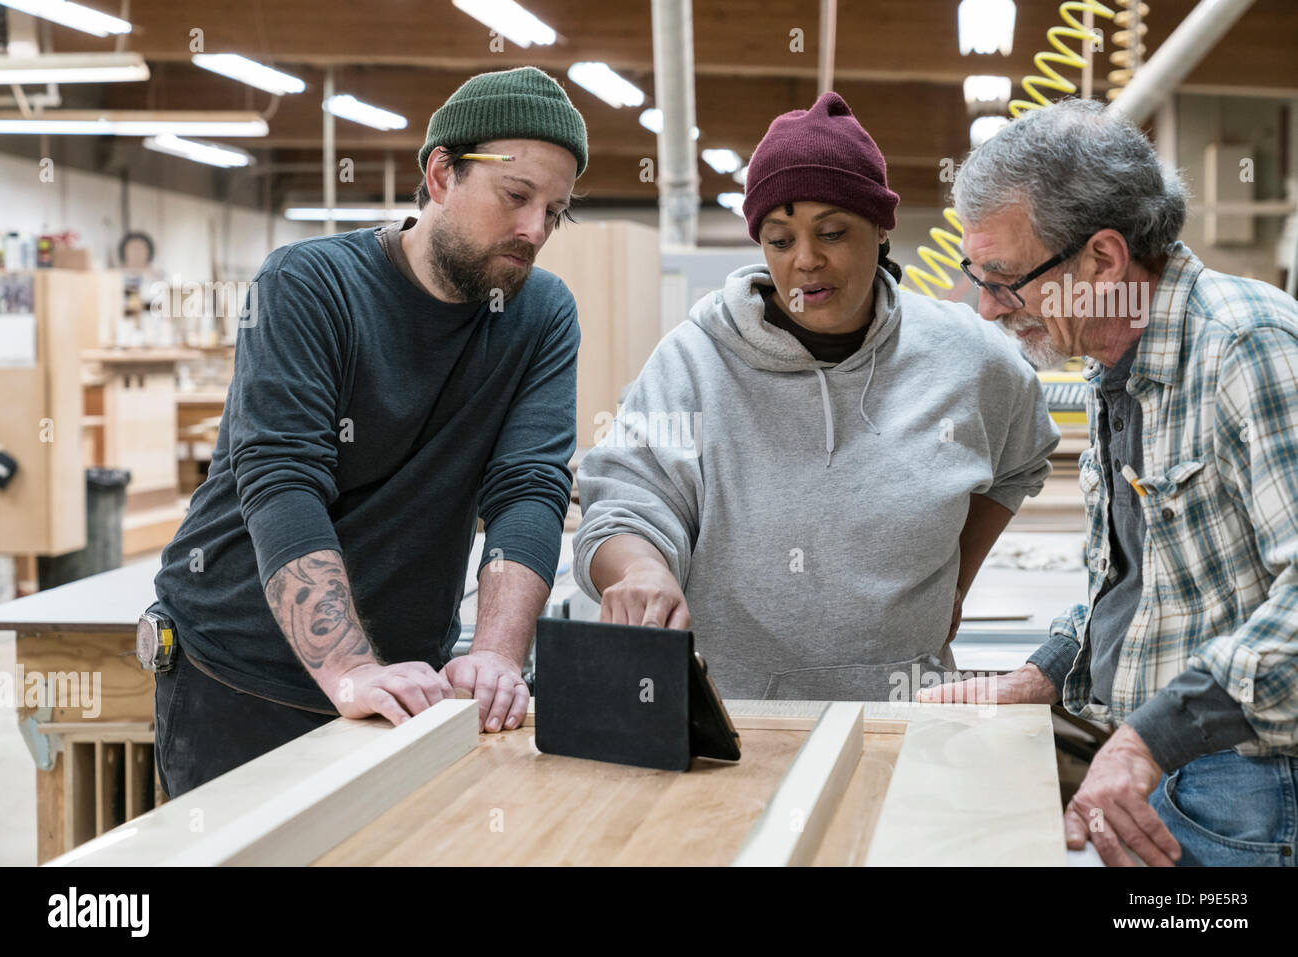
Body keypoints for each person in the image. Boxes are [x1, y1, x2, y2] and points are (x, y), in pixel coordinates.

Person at [147, 66, 588, 796]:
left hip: (407, 687)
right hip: (240, 675)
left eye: (555, 211)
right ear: (442, 173)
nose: (534, 230)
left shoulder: (541, 314)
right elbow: (283, 478)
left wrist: (496, 656)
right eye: (516, 196)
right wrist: (348, 668)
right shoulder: (307, 284)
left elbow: (529, 487)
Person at [572, 92, 1059, 701]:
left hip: (911, 714)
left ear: (881, 229)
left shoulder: (970, 357)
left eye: (832, 232)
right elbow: (626, 502)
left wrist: (955, 582)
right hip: (735, 720)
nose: (805, 260)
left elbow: (1020, 461)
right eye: (779, 240)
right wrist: (641, 568)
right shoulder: (693, 362)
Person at [921, 97, 1298, 866]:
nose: (989, 309)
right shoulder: (1112, 367)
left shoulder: (1245, 348)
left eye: (1005, 279)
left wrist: (1148, 738)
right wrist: (1040, 676)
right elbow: (1142, 582)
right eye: (977, 277)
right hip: (1168, 765)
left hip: (1254, 783)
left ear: (1102, 259)